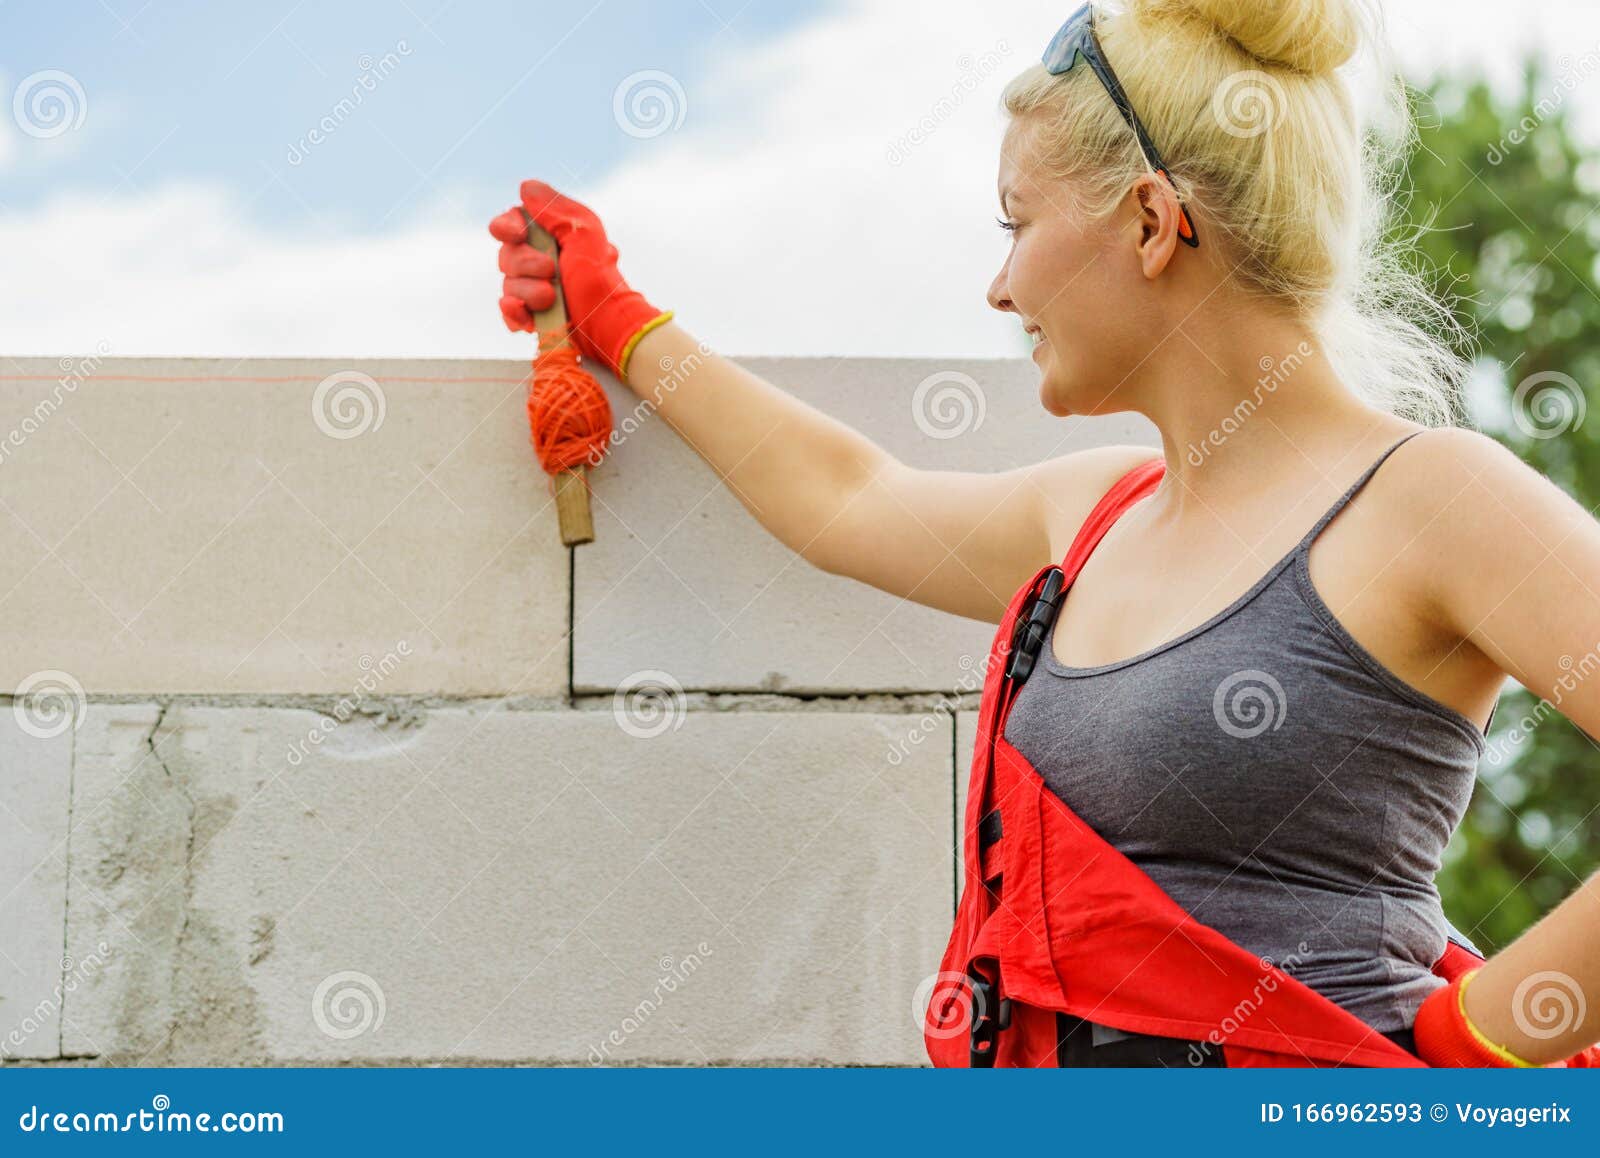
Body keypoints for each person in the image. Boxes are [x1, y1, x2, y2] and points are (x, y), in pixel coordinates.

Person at [490, 0, 1600, 1067]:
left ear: (1152, 225)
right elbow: (846, 498)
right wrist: (622, 324)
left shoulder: (1429, 499)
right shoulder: (1094, 514)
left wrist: (1473, 1040)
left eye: (1016, 226)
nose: (996, 284)